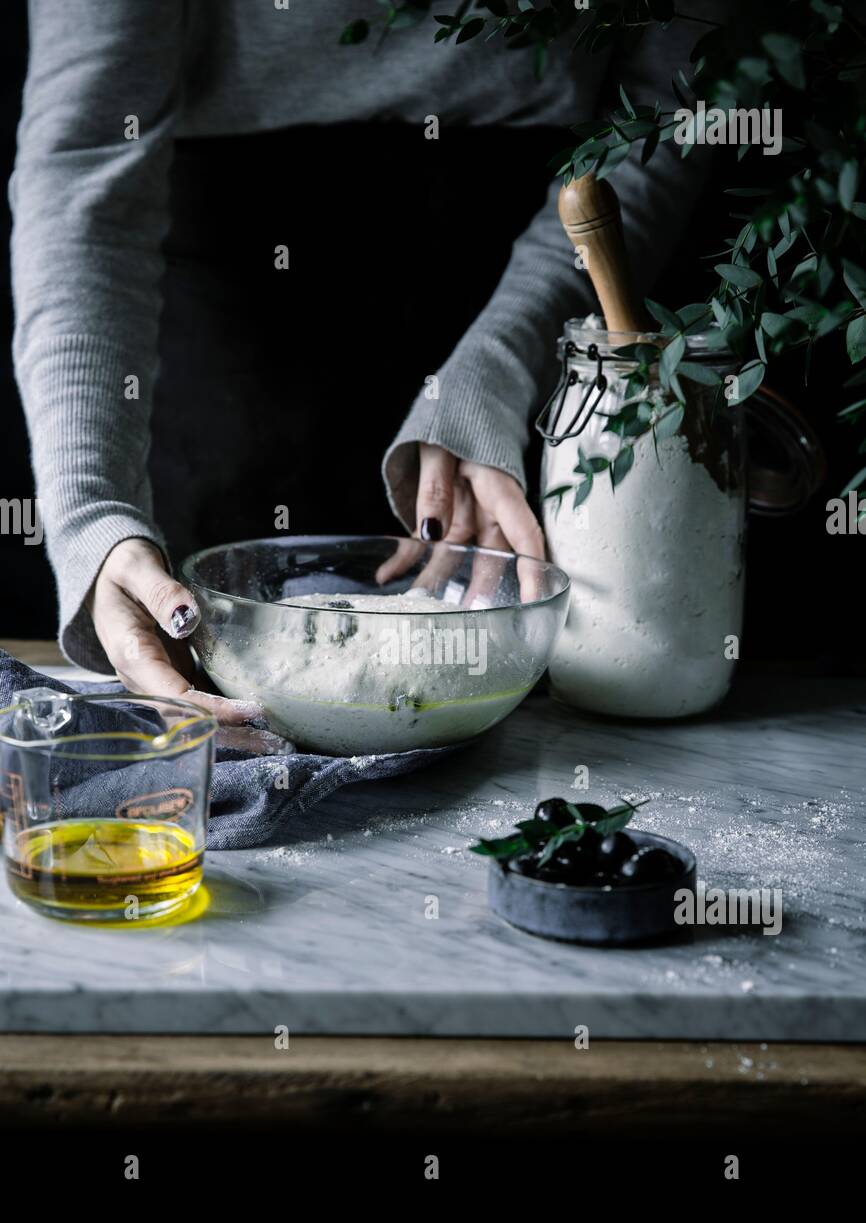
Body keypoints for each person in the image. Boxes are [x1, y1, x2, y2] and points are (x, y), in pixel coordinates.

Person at [10, 1, 719, 717]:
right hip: (238, 309)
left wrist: (506, 362)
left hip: (549, 316)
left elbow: (675, 106)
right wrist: (93, 515)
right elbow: (86, 159)